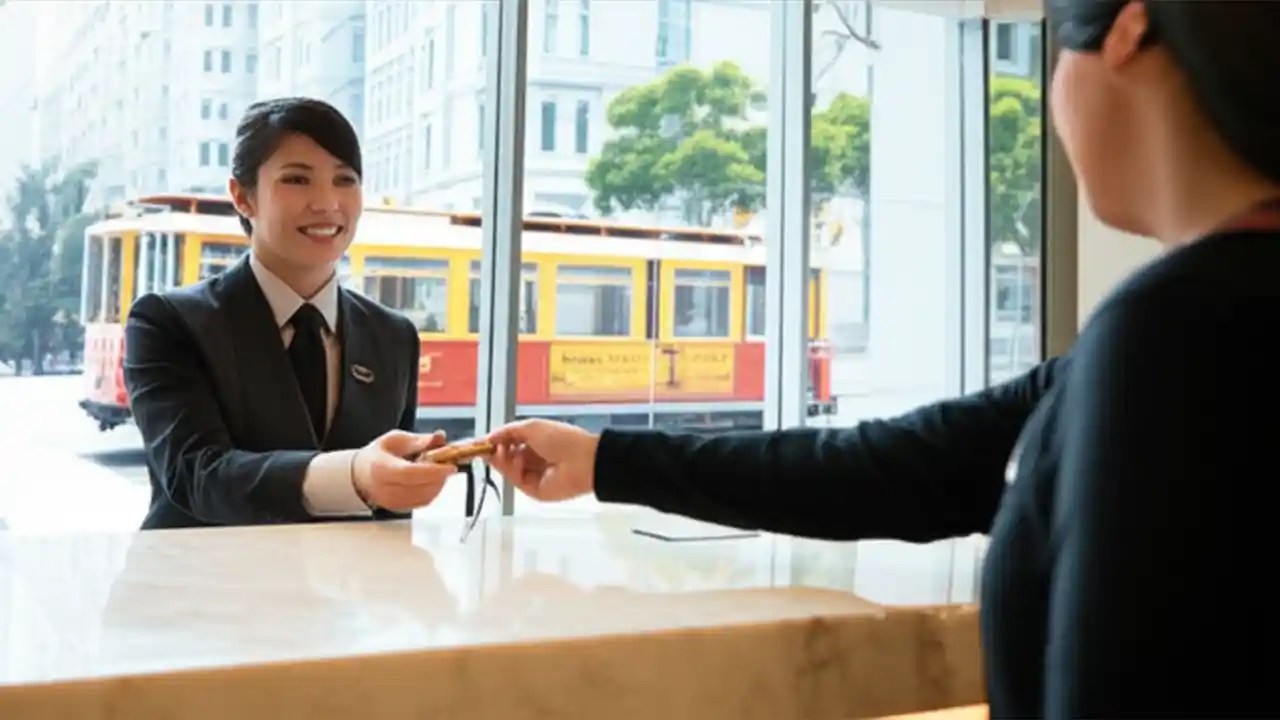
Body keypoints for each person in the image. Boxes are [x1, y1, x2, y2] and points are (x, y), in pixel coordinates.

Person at [486, 2, 1280, 716]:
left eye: (1050, 52)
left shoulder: (1174, 333)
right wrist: (606, 460)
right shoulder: (1195, 323)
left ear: (1129, 28)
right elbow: (899, 466)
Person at [124, 97, 456, 530]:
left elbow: (390, 518)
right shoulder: (169, 323)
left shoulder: (392, 336)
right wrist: (355, 475)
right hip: (205, 590)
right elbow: (198, 475)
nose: (327, 203)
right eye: (297, 179)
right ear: (242, 197)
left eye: (345, 180)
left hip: (349, 592)